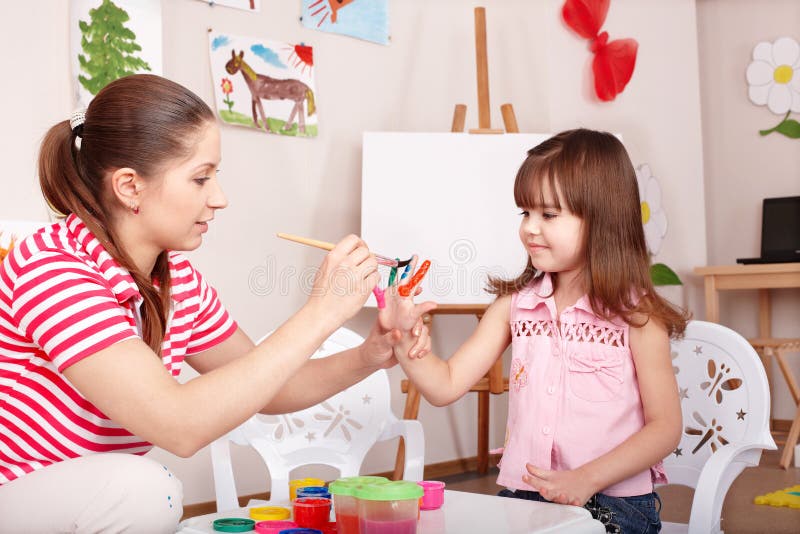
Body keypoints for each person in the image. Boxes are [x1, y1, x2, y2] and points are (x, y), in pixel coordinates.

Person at [0, 74, 430, 533]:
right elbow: (178, 425)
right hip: (18, 491)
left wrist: (369, 355)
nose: (220, 199)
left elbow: (270, 387)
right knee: (147, 490)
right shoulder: (52, 268)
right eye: (201, 178)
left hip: (81, 501)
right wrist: (319, 313)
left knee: (145, 488)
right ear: (129, 187)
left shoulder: (176, 278)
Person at [387, 129, 689, 533]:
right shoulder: (513, 307)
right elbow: (445, 385)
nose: (530, 228)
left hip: (614, 504)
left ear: (602, 219)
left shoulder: (639, 318)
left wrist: (586, 479)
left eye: (548, 215)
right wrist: (404, 340)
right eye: (525, 213)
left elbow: (665, 427)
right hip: (526, 497)